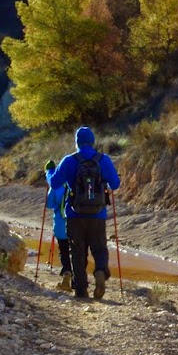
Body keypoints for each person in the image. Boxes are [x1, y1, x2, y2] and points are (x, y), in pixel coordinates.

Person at [48, 126, 120, 300]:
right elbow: (115, 184)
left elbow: (55, 183)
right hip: (98, 215)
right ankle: (100, 272)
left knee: (78, 252)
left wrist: (48, 172)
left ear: (77, 142)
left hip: (74, 214)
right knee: (100, 248)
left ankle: (81, 290)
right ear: (93, 141)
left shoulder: (69, 160)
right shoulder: (103, 160)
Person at [43, 158, 72, 283]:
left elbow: (49, 204)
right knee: (76, 249)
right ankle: (77, 272)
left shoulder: (55, 186)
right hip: (75, 222)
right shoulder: (73, 182)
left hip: (60, 223)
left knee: (63, 248)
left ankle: (66, 269)